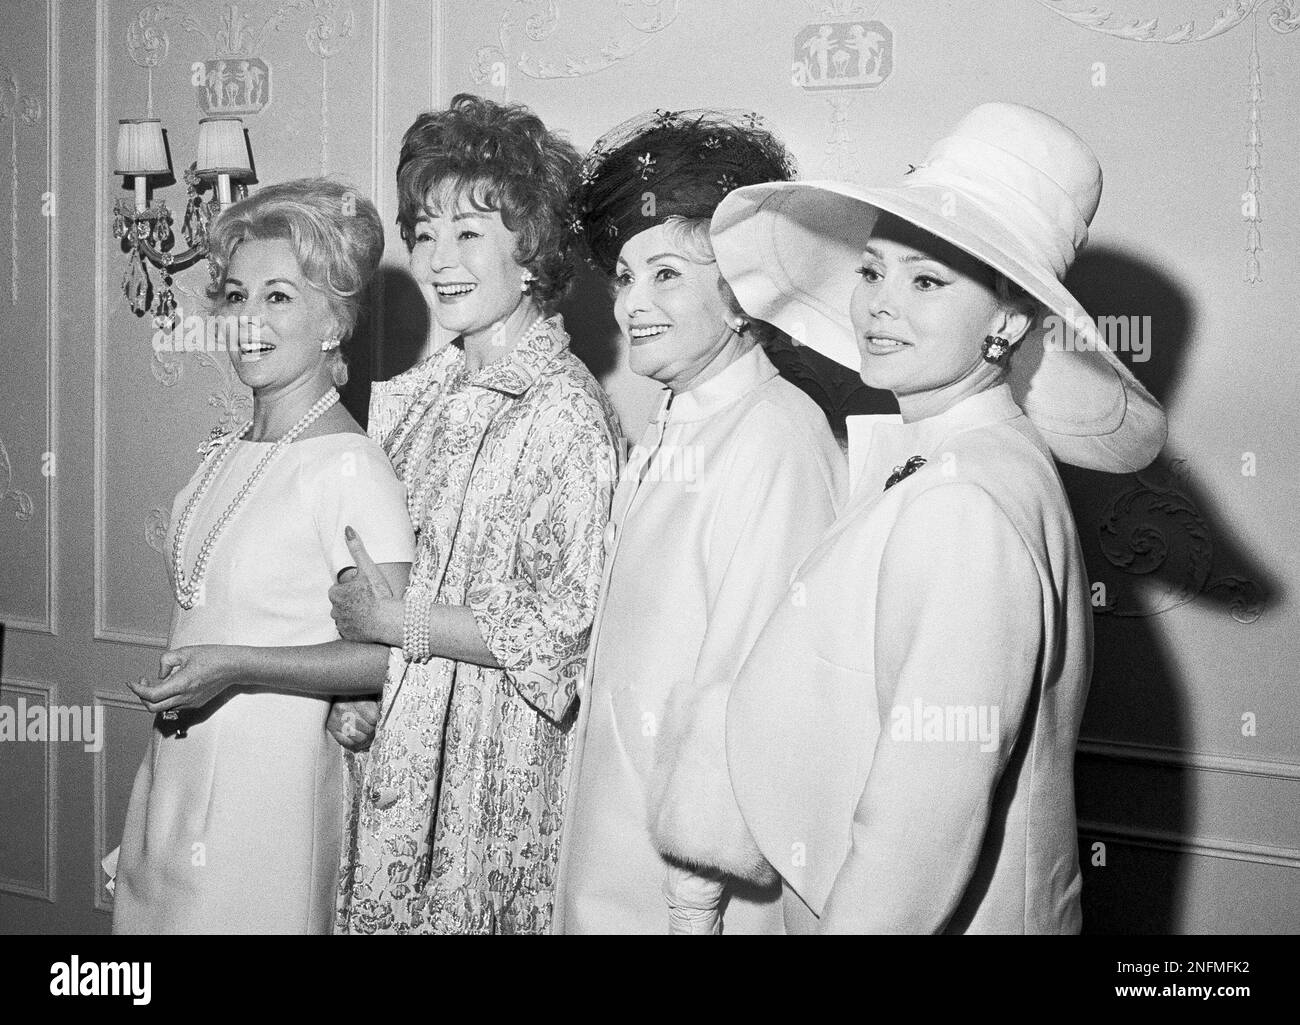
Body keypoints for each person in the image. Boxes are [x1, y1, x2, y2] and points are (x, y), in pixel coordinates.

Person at [704, 102, 1168, 932]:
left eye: (926, 280)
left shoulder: (969, 501)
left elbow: (922, 817)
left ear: (1010, 319)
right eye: (873, 270)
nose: (880, 304)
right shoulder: (967, 455)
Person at [327, 94, 621, 935]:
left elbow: (563, 631)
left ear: (530, 251)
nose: (436, 260)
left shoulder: (565, 411)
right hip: (394, 768)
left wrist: (397, 620)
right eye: (424, 231)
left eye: (469, 233)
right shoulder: (420, 400)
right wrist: (364, 684)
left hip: (490, 790)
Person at [552, 110, 845, 935]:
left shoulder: (776, 436)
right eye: (623, 275)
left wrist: (691, 912)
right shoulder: (682, 421)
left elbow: (752, 704)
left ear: (743, 291)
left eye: (667, 274)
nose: (631, 303)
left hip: (696, 903)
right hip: (616, 859)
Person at [113, 179, 415, 933]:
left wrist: (240, 665)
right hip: (177, 778)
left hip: (266, 802)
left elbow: (393, 656)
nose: (248, 319)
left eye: (279, 296)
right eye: (237, 294)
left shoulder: (350, 466)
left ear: (333, 320)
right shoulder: (227, 450)